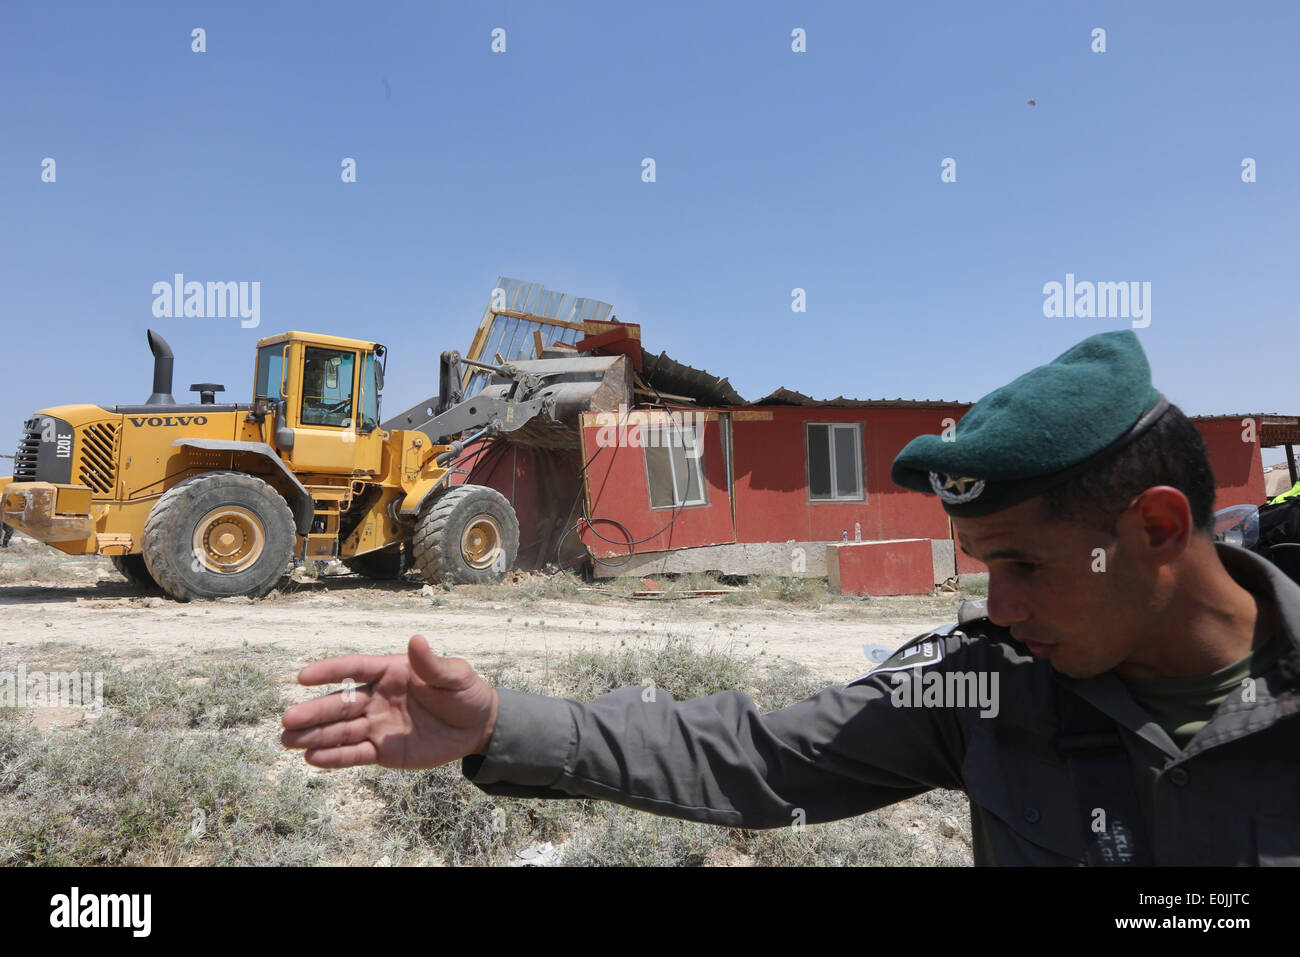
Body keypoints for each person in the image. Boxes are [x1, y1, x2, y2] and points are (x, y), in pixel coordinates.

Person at [281, 330, 1300, 865]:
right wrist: (503, 722)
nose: (996, 606)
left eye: (1023, 566)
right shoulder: (990, 689)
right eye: (980, 567)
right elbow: (761, 757)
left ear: (1157, 531)